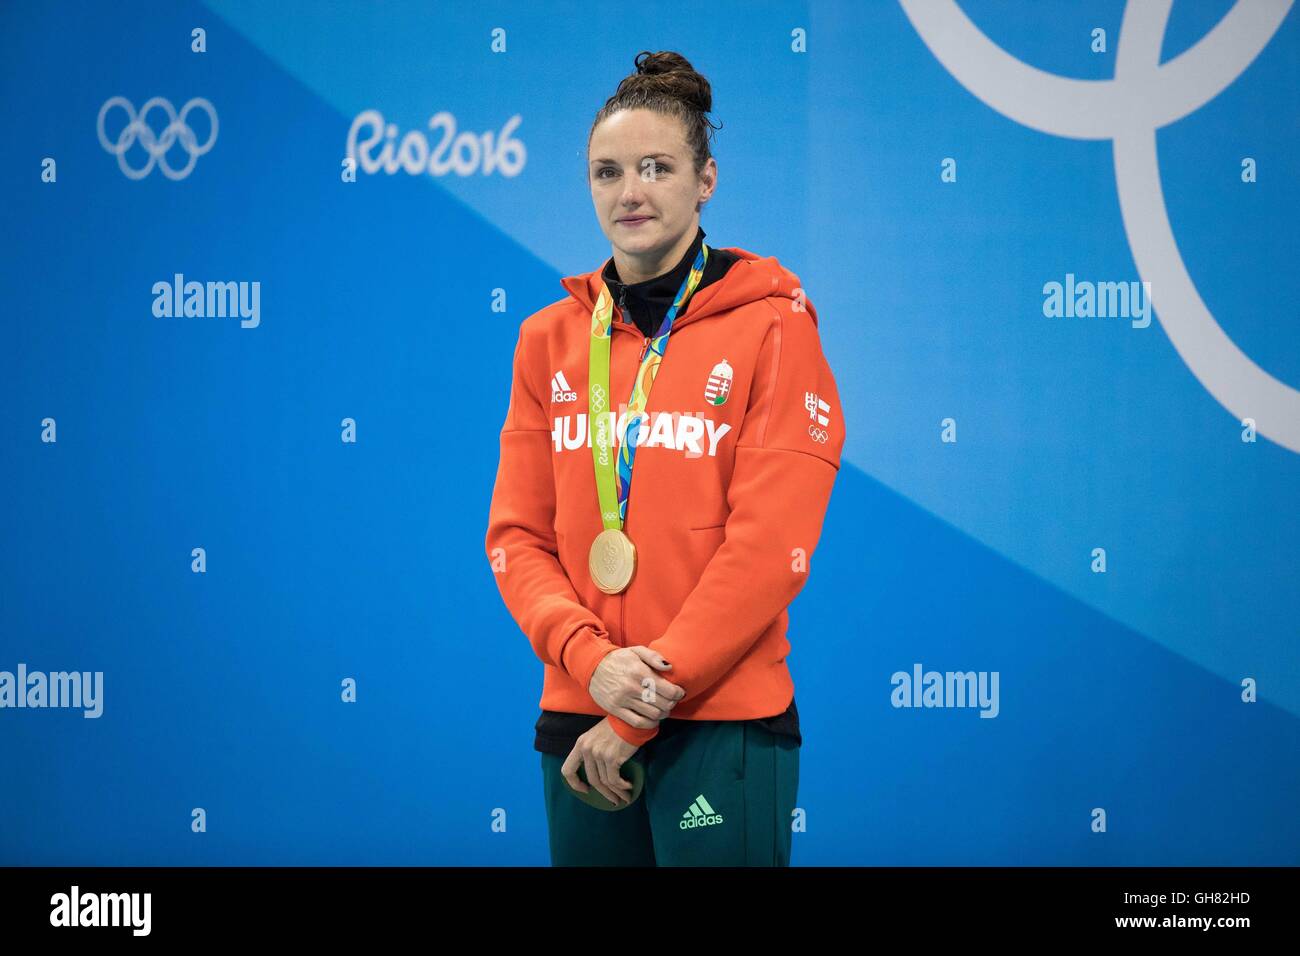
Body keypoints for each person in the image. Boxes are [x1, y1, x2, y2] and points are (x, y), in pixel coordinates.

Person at [485, 50, 845, 866]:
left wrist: (634, 711)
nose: (630, 192)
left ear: (706, 178)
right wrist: (591, 666)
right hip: (579, 714)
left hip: (717, 721)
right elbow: (516, 539)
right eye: (607, 171)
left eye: (657, 167)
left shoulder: (774, 327)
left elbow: (767, 552)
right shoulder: (547, 339)